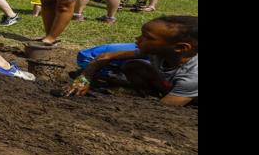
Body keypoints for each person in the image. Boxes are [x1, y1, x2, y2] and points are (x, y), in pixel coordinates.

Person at [62, 15, 197, 106]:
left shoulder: (193, 76)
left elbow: (163, 108)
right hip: (173, 87)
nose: (137, 39)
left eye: (147, 37)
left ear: (181, 47)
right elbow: (107, 56)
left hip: (187, 98)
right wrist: (83, 80)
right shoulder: (159, 53)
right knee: (134, 66)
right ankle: (151, 94)